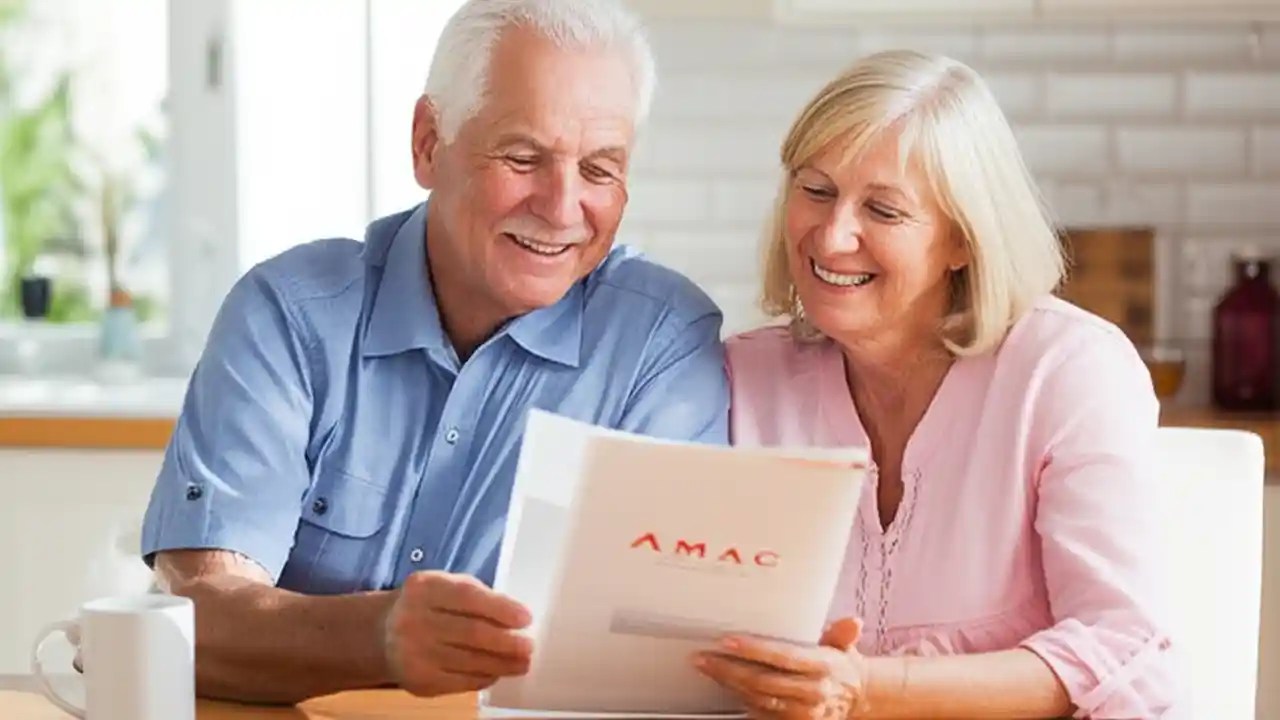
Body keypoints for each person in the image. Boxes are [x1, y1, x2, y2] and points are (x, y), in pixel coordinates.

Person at [138, 0, 729, 705]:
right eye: (522, 157)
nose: (563, 206)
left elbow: (651, 655)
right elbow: (194, 615)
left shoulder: (659, 347)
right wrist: (380, 633)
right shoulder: (288, 317)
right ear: (427, 143)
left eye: (600, 170)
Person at [692, 50, 1178, 718]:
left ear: (963, 240)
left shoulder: (1065, 371)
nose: (832, 237)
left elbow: (1125, 653)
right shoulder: (739, 378)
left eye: (883, 211)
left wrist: (866, 690)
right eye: (817, 190)